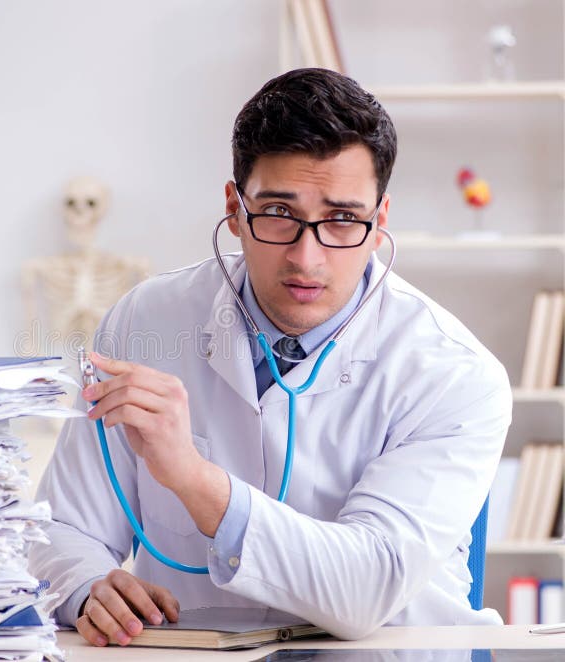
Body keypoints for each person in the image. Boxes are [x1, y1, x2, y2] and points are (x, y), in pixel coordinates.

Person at [29, 68, 512, 645]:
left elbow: (366, 588)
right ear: (235, 208)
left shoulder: (453, 372)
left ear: (379, 222)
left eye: (342, 219)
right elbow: (58, 528)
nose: (308, 257)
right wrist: (87, 586)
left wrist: (190, 476)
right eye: (279, 213)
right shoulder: (146, 322)